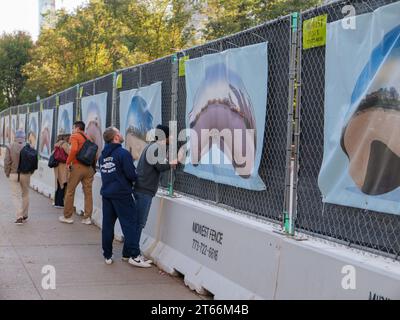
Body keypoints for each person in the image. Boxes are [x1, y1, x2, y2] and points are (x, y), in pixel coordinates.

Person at [99, 127, 151, 268]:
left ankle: (107, 255)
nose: (121, 135)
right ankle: (134, 255)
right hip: (122, 194)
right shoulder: (123, 153)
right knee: (130, 224)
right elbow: (131, 174)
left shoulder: (102, 155)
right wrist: (135, 177)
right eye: (119, 133)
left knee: (108, 225)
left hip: (107, 194)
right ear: (116, 137)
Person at [134, 125, 177, 258]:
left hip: (142, 187)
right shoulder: (157, 148)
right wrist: (172, 163)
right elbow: (159, 166)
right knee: (140, 222)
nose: (172, 138)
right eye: (170, 135)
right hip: (145, 189)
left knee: (138, 221)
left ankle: (131, 250)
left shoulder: (151, 146)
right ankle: (133, 252)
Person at [59, 121, 95, 225]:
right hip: (89, 168)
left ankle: (68, 216)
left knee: (70, 191)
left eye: (73, 128)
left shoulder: (75, 136)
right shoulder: (88, 138)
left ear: (77, 128)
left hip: (77, 166)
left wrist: (68, 161)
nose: (72, 130)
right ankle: (87, 218)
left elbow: (74, 149)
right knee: (88, 193)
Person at [4, 130, 31, 225]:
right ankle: (25, 214)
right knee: (25, 194)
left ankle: (19, 216)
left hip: (13, 174)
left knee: (15, 195)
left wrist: (7, 173)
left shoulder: (10, 146)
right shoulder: (28, 146)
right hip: (26, 174)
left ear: (15, 137)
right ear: (24, 137)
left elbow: (7, 161)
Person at [53, 134, 70, 208]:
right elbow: (70, 153)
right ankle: (60, 203)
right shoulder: (65, 144)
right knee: (63, 184)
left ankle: (56, 202)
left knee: (58, 183)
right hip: (63, 167)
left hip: (57, 167)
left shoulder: (56, 144)